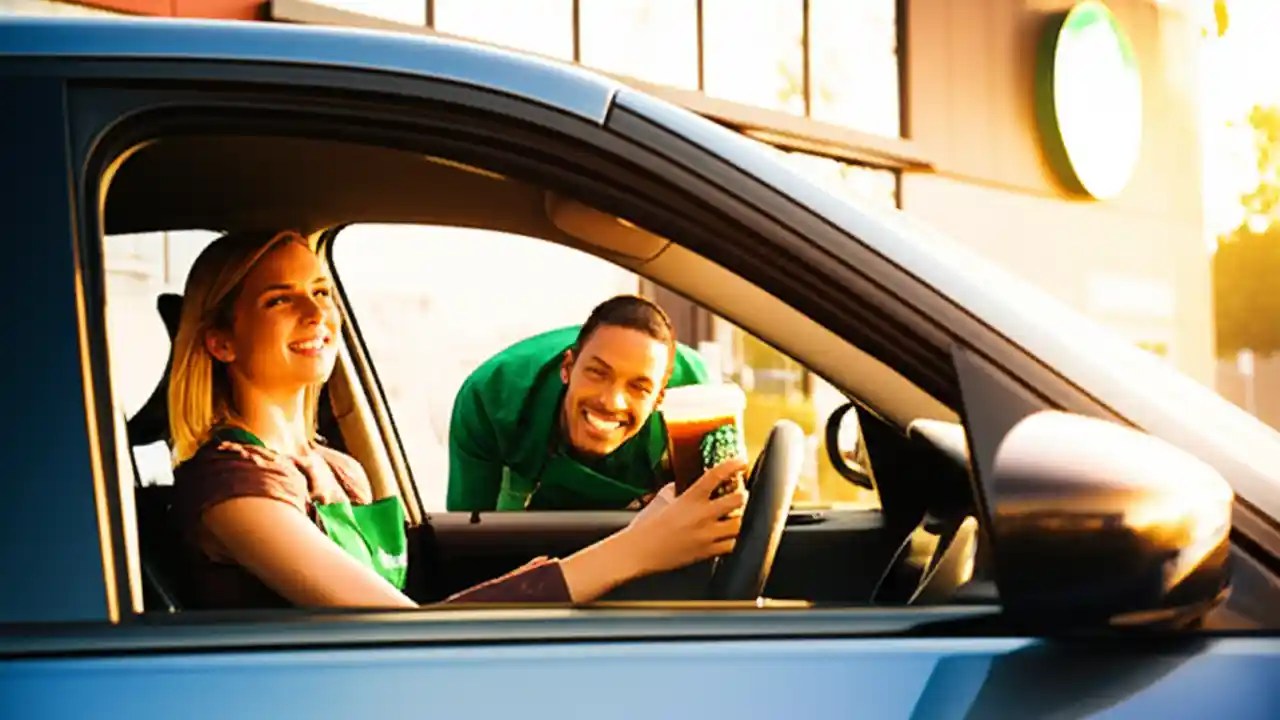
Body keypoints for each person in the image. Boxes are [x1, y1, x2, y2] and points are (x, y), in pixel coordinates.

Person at [168, 230, 746, 609]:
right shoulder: (234, 489)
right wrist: (636, 550)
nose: (317, 311)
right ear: (221, 341)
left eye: (321, 291)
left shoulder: (340, 472)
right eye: (279, 299)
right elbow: (401, 635)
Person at [447, 296, 712, 512]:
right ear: (568, 367)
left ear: (660, 398)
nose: (611, 401)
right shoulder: (492, 396)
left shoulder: (695, 399)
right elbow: (467, 533)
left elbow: (715, 514)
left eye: (638, 387)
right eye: (597, 373)